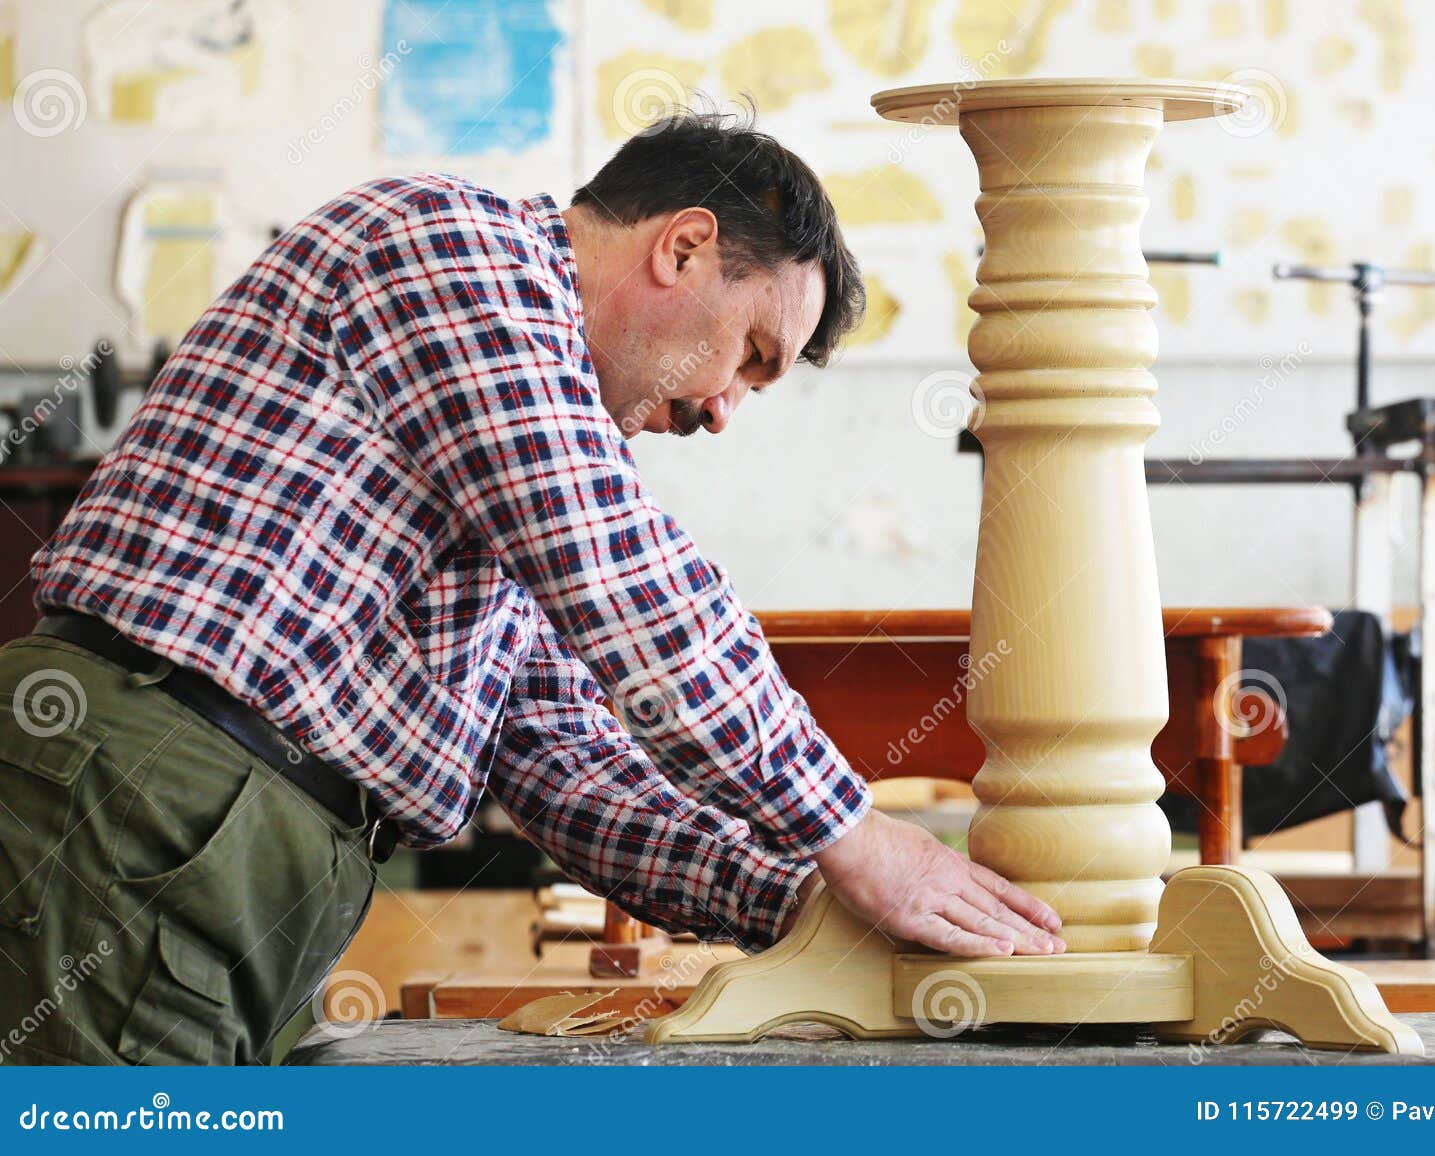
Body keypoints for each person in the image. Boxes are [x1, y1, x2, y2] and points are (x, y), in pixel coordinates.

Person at [0, 112, 1062, 1066]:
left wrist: (801, 899)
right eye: (749, 356)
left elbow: (565, 764)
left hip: (237, 849)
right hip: (149, 802)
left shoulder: (526, 435)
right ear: (684, 247)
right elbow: (627, 586)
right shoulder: (454, 250)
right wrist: (855, 834)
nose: (722, 411)